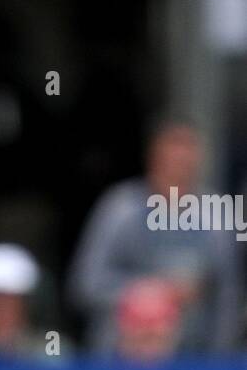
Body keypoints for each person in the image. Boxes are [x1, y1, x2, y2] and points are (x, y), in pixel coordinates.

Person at [68, 121, 242, 355]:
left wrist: (219, 359)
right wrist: (151, 292)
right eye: (171, 163)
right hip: (121, 361)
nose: (177, 173)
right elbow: (84, 284)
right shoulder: (120, 208)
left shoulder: (215, 215)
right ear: (153, 160)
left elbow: (228, 295)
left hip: (193, 362)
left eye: (185, 165)